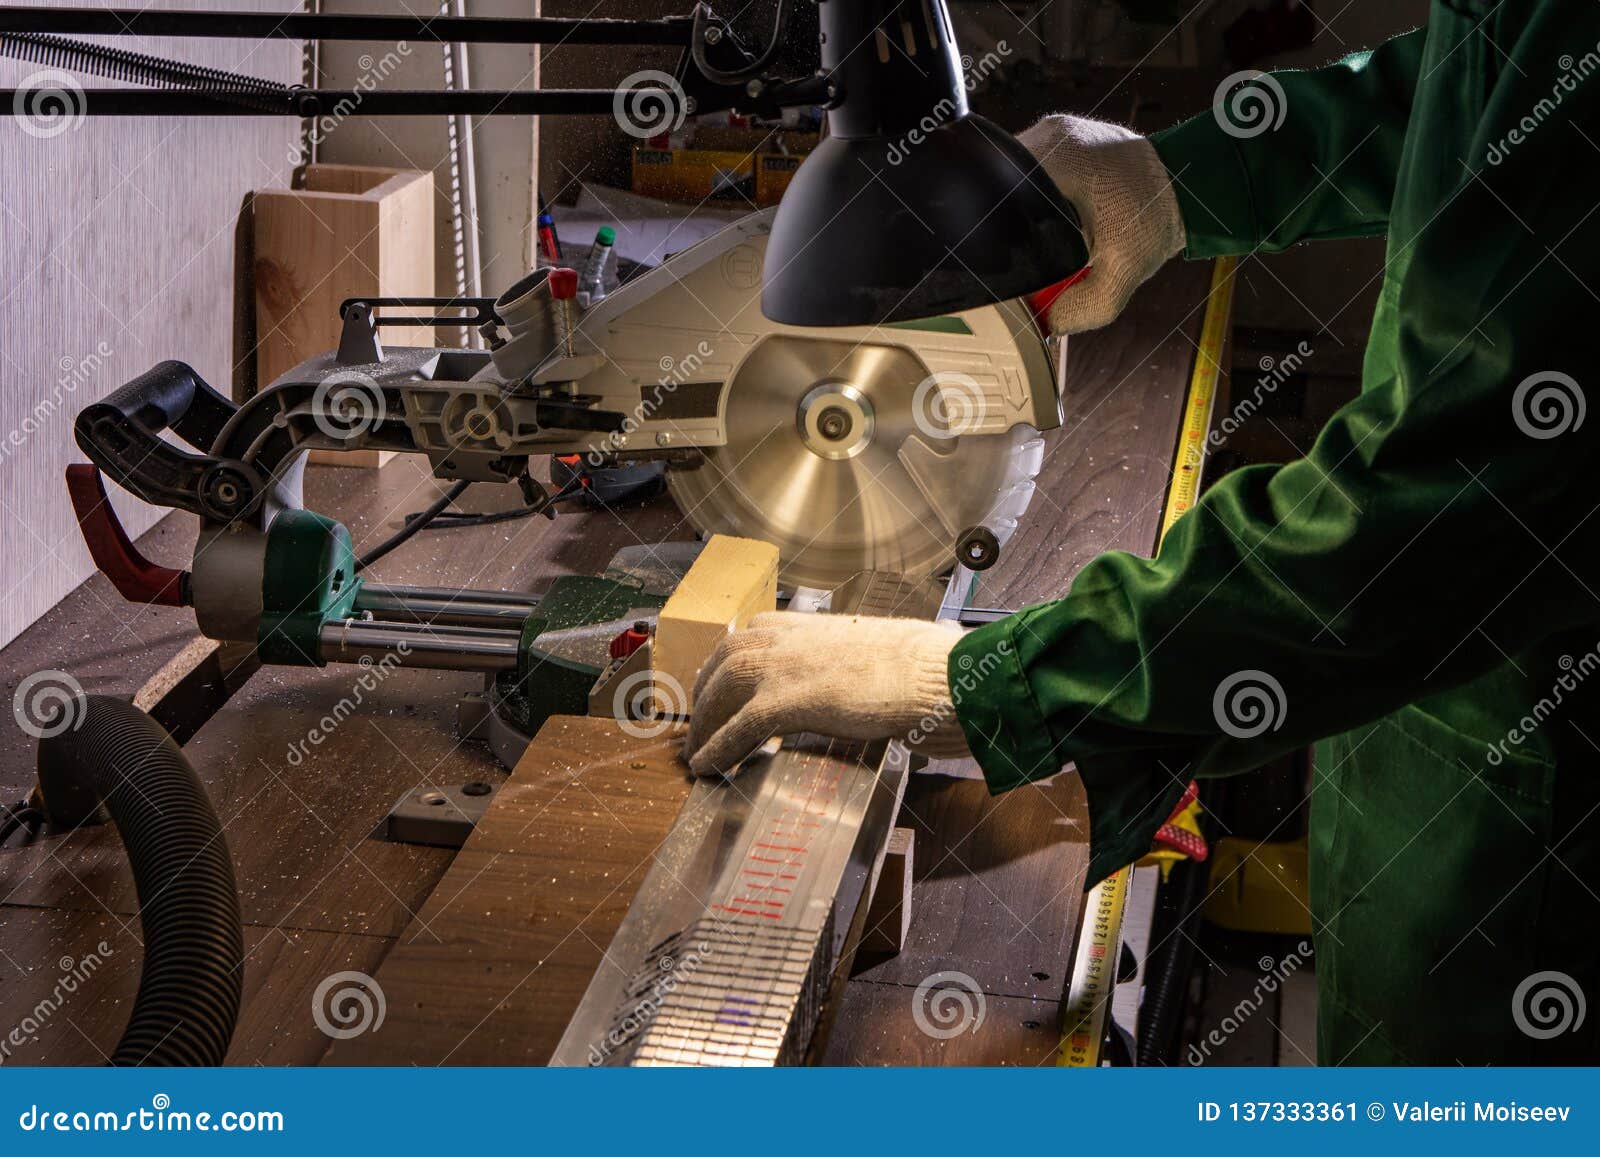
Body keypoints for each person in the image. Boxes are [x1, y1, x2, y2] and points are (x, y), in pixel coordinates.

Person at [685, 3, 1600, 1065]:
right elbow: (1471, 94)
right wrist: (1174, 182)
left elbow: (1456, 508)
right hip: (1452, 752)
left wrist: (999, 679)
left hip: (1543, 821)